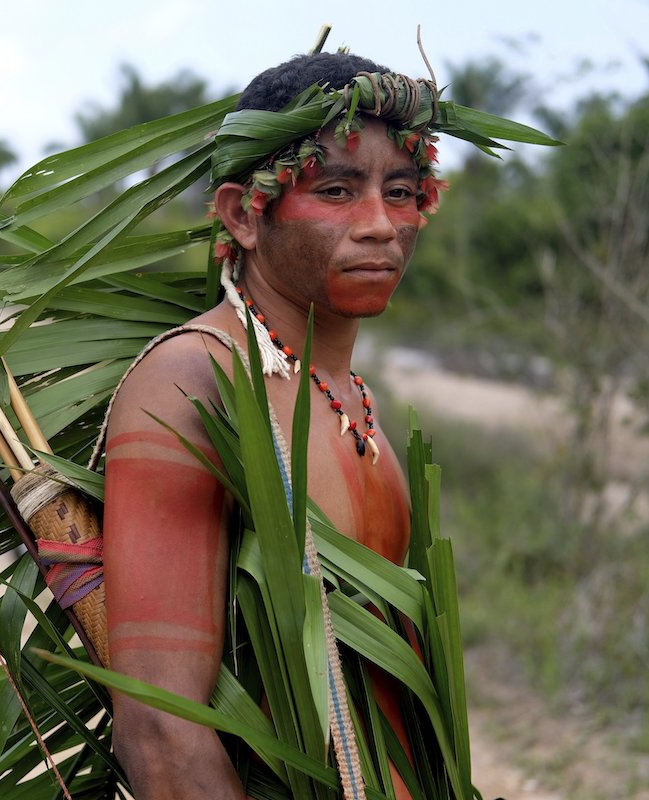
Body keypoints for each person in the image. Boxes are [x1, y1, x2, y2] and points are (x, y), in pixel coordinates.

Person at [101, 50, 434, 800]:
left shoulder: (355, 397)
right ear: (244, 215)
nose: (381, 225)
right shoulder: (198, 381)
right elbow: (161, 731)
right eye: (339, 190)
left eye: (403, 191)